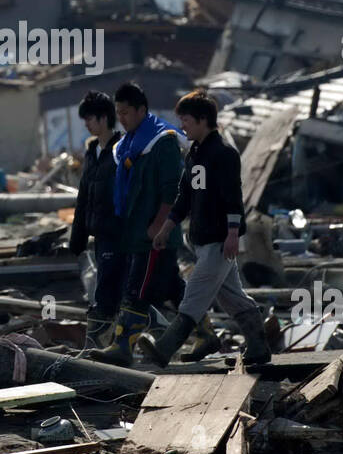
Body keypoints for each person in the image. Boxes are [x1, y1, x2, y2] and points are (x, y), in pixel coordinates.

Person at [138, 89, 270, 368]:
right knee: (232, 297)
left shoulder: (223, 154)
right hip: (202, 239)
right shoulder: (195, 155)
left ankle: (164, 349)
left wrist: (233, 233)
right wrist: (166, 228)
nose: (182, 125)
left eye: (185, 120)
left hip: (220, 240)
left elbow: (232, 197)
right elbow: (184, 198)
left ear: (201, 120)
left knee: (194, 295)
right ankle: (259, 348)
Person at [87, 82, 187, 367]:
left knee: (136, 290)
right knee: (171, 288)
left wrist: (159, 225)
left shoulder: (161, 141)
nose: (122, 118)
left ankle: (122, 346)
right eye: (118, 113)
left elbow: (173, 189)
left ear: (142, 110)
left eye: (127, 113)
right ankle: (205, 333)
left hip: (156, 233)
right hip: (136, 233)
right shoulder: (128, 145)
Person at [68, 91, 124, 351]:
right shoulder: (92, 153)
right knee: (115, 293)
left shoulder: (122, 151)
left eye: (90, 118)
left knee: (107, 293)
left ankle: (97, 347)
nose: (86, 124)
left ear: (104, 118)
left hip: (118, 234)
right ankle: (113, 346)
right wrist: (77, 237)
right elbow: (84, 197)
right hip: (100, 235)